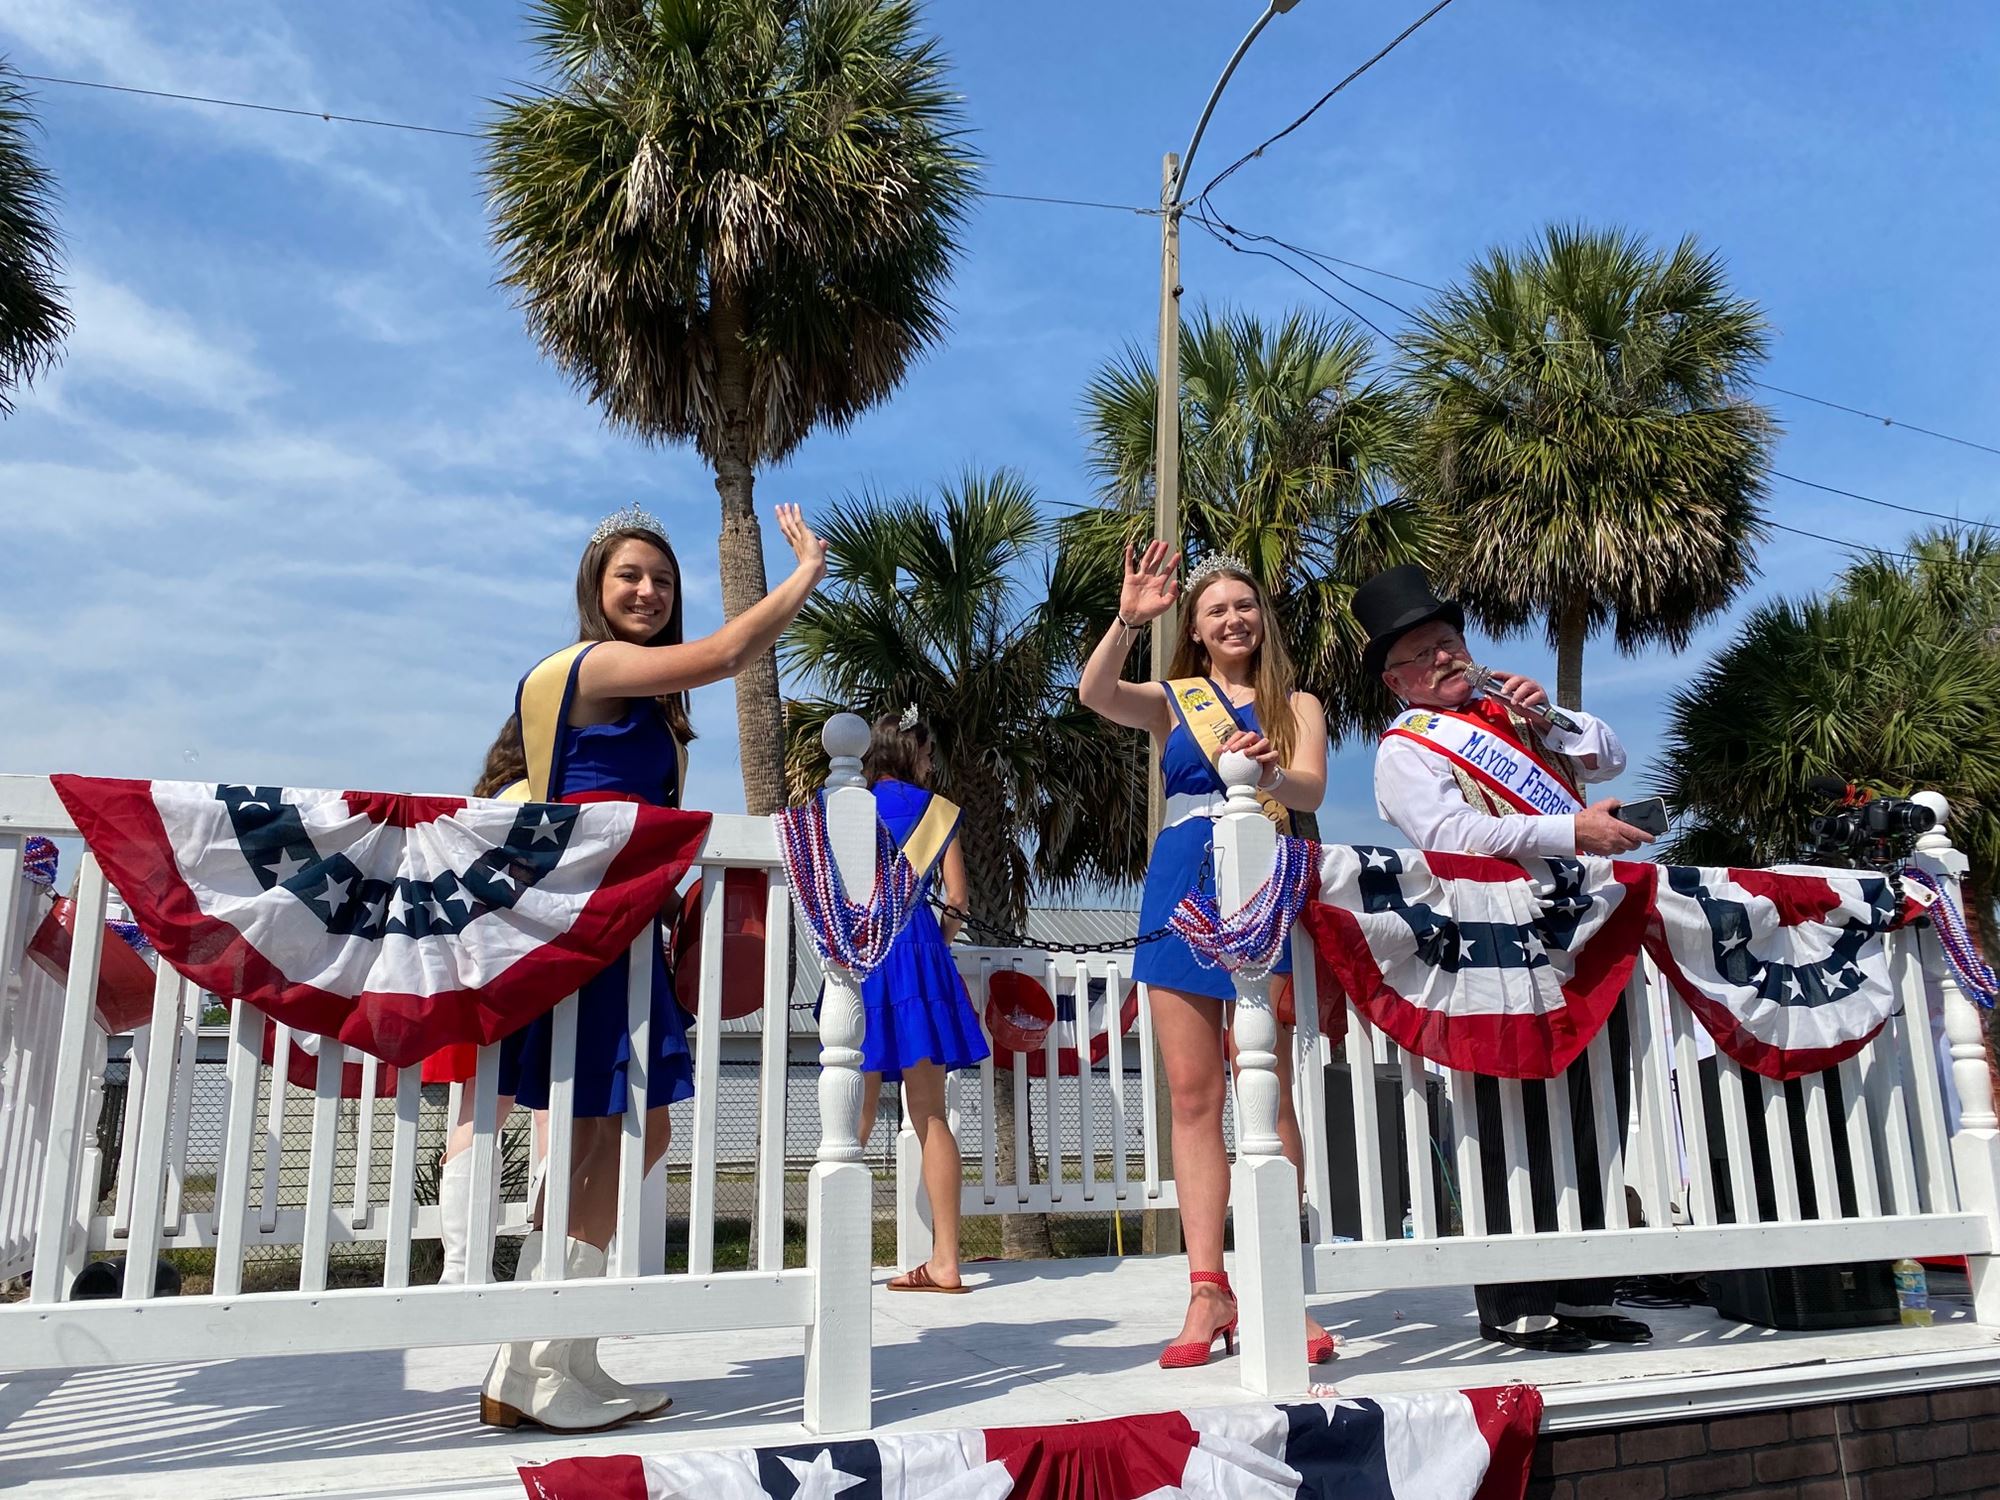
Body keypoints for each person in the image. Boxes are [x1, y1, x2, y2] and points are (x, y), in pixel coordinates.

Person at [476, 501, 828, 1434]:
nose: (647, 590)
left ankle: (547, 1356)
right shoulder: (589, 668)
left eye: (661, 580)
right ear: (595, 588)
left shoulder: (647, 707)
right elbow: (721, 658)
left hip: (625, 929)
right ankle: (540, 1357)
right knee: (616, 1129)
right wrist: (802, 574)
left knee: (622, 1133)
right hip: (584, 926)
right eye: (630, 575)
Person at [1355, 562, 1654, 1354]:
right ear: (1397, 681)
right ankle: (1518, 1300)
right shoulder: (1405, 749)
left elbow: (1610, 757)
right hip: (1492, 940)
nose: (1446, 660)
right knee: (1503, 1116)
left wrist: (1549, 714)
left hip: (1580, 926)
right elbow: (1449, 836)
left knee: (1598, 1102)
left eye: (1449, 642)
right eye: (1423, 654)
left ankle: (1588, 1294)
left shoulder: (1517, 718)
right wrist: (1569, 832)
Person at [1078, 541, 1336, 1370]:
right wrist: (1127, 619)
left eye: (1245, 605)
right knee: (1195, 1093)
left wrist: (1271, 774)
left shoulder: (1297, 703)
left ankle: (1281, 1284)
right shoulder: (1175, 699)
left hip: (1262, 870)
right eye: (1216, 608)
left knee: (1270, 1086)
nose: (1233, 618)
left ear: (1263, 618)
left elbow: (1310, 792)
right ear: (1193, 626)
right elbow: (1093, 694)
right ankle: (1207, 1288)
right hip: (1183, 873)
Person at [845, 710, 990, 1293]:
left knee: (851, 1109)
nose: (932, 764)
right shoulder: (936, 813)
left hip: (863, 952)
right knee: (930, 1113)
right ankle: (947, 1259)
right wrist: (932, 943)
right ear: (909, 752)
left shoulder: (849, 806)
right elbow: (957, 899)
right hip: (920, 953)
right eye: (927, 753)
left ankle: (836, 1256)